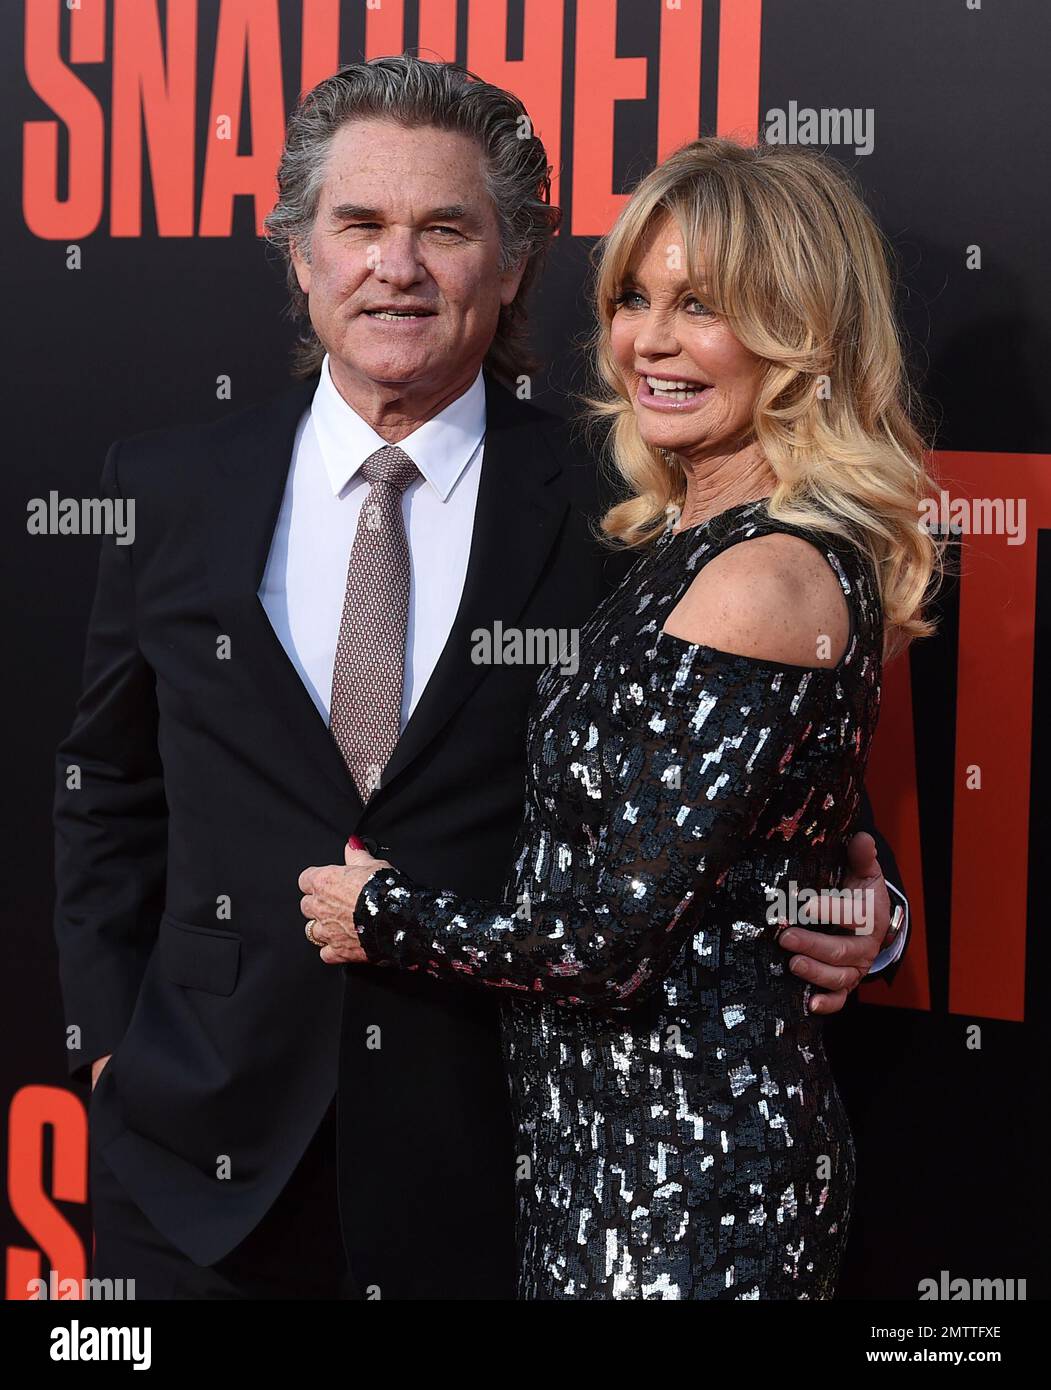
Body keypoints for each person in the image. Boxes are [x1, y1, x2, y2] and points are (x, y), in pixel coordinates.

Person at [54, 56, 905, 1302]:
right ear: (299, 253)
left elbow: (754, 789)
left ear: (513, 267)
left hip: (494, 1169)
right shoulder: (170, 488)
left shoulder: (632, 507)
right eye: (358, 225)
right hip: (191, 1167)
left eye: (444, 228)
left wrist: (856, 924)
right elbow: (106, 789)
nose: (395, 267)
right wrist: (112, 1051)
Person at [299, 132, 937, 1299]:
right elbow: (730, 806)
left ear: (800, 332)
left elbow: (619, 923)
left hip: (679, 1184)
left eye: (703, 305)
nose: (649, 339)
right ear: (299, 254)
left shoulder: (737, 561)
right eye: (633, 298)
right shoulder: (657, 533)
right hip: (565, 1157)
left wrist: (383, 913)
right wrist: (820, 884)